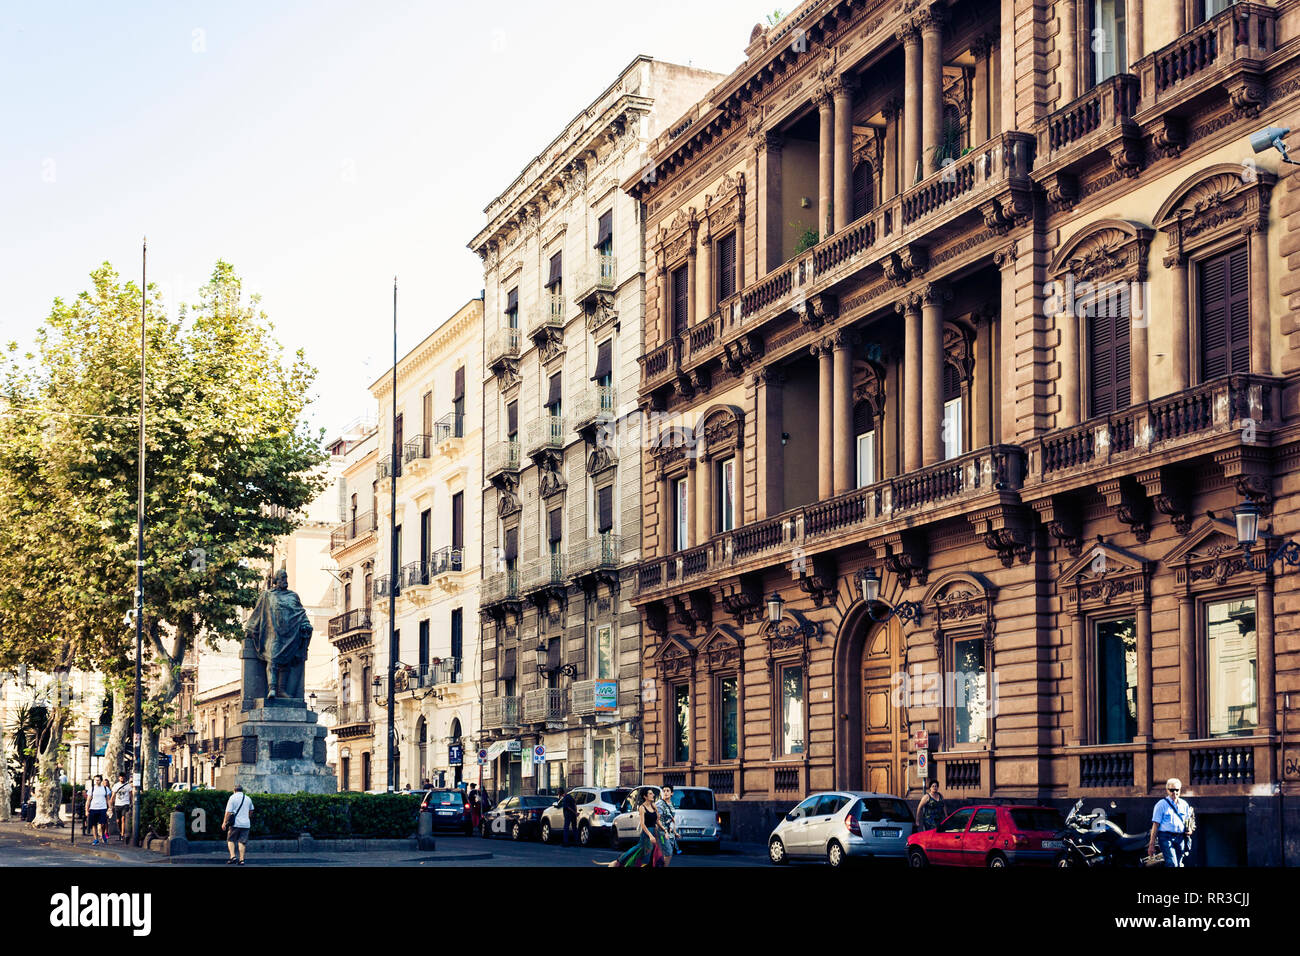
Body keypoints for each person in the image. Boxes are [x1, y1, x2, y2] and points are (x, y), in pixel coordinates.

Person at [595, 788, 664, 867]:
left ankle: (621, 862)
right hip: (647, 833)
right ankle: (620, 861)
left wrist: (664, 829)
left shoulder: (653, 805)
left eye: (652, 793)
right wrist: (650, 836)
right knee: (643, 852)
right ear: (645, 796)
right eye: (650, 794)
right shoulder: (642, 808)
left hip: (655, 832)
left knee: (651, 853)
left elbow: (657, 820)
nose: (653, 795)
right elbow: (642, 824)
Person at [1148, 778, 1193, 867]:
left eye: (1177, 790)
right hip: (1166, 837)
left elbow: (1188, 821)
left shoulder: (1184, 805)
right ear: (1167, 790)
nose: (1174, 792)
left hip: (1180, 838)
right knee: (1172, 864)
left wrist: (1190, 830)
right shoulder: (1161, 805)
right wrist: (1151, 844)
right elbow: (1155, 825)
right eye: (1172, 790)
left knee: (1179, 864)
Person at [223, 784, 254, 865]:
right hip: (246, 824)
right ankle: (241, 860)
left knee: (230, 840)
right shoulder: (248, 798)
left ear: (234, 790)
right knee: (242, 842)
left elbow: (228, 812)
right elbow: (251, 810)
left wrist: (224, 823)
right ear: (242, 790)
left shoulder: (232, 798)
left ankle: (233, 857)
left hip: (235, 824)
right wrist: (247, 817)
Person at [655, 785, 679, 862]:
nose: (665, 792)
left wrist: (675, 832)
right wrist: (664, 831)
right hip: (662, 832)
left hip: (670, 833)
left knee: (668, 854)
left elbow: (672, 819)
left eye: (667, 791)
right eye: (664, 791)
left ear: (672, 793)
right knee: (667, 853)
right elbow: (657, 820)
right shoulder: (659, 804)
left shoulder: (671, 804)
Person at [85, 775, 111, 846]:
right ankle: (96, 839)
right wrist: (86, 810)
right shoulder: (92, 789)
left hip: (103, 808)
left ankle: (102, 834)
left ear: (101, 780)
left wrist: (110, 808)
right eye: (95, 780)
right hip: (93, 808)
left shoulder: (105, 789)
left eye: (98, 780)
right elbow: (88, 800)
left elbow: (108, 799)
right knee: (94, 825)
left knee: (103, 824)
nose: (97, 781)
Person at [110, 773, 132, 844]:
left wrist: (131, 803)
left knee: (123, 819)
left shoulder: (128, 786)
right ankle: (120, 831)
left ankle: (122, 834)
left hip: (125, 804)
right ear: (119, 778)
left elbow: (130, 795)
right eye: (120, 777)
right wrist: (111, 804)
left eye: (123, 777)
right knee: (118, 821)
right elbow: (113, 796)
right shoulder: (116, 785)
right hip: (117, 804)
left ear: (125, 778)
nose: (122, 778)